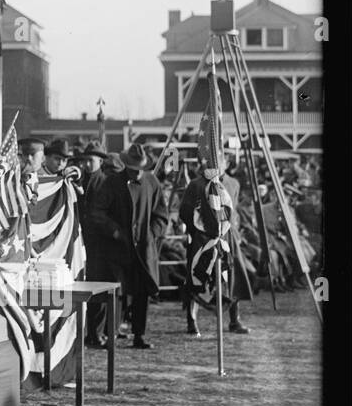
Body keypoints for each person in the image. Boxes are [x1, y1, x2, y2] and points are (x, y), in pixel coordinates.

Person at [85, 142, 170, 350]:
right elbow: (97, 212)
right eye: (131, 169)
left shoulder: (152, 183)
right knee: (117, 293)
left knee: (142, 292)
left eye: (138, 170)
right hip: (117, 249)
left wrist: (152, 234)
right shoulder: (112, 183)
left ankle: (139, 335)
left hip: (143, 248)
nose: (135, 174)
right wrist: (114, 231)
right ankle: (111, 334)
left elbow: (161, 215)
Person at [180, 157, 252, 337]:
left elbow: (232, 210)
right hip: (202, 239)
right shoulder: (196, 185)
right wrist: (197, 232)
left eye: (221, 159)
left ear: (227, 163)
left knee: (232, 276)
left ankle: (234, 320)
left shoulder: (233, 183)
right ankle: (192, 321)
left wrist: (233, 232)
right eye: (214, 158)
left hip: (228, 239)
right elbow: (185, 212)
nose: (217, 163)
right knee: (197, 276)